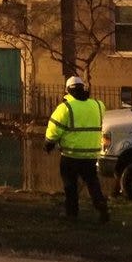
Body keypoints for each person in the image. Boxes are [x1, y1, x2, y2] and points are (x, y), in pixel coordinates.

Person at [44, 75, 109, 223]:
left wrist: (49, 143)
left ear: (67, 91)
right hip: (91, 155)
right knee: (92, 182)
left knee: (70, 185)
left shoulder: (65, 108)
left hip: (71, 155)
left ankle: (72, 212)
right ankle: (100, 205)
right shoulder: (98, 105)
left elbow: (54, 129)